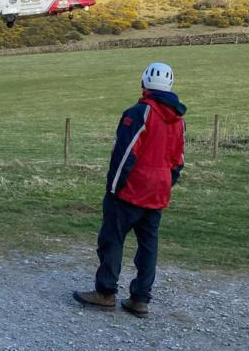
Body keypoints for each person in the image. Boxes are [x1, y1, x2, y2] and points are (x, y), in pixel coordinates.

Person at [74, 62, 186, 319]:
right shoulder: (179, 120)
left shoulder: (139, 113)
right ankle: (140, 299)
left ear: (144, 83)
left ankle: (105, 293)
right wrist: (167, 182)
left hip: (131, 190)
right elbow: (178, 160)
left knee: (112, 239)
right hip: (158, 192)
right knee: (148, 246)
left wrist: (113, 187)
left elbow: (125, 154)